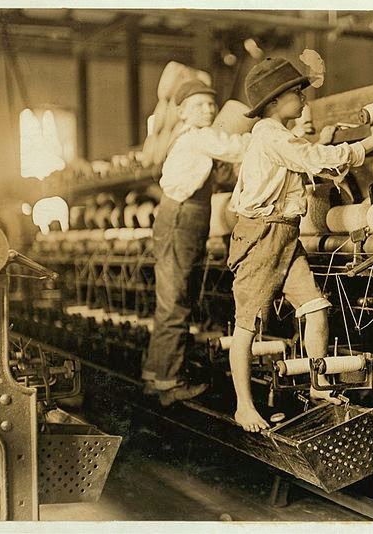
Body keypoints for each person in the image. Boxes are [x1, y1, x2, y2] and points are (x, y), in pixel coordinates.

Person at [227, 57, 373, 432]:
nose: (304, 98)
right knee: (247, 326)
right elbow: (316, 159)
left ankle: (318, 384)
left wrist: (334, 143)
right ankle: (243, 406)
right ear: (273, 102)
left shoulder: (279, 135)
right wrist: (372, 141)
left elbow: (316, 161)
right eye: (296, 93)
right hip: (261, 236)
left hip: (285, 234)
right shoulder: (271, 135)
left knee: (316, 307)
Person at [143, 79, 250, 406]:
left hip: (181, 217)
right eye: (199, 105)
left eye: (210, 104)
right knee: (176, 300)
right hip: (182, 219)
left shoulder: (188, 139)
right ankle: (170, 383)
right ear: (181, 111)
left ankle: (157, 374)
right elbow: (239, 147)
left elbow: (219, 176)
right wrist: (273, 133)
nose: (208, 109)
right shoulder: (199, 137)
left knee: (174, 299)